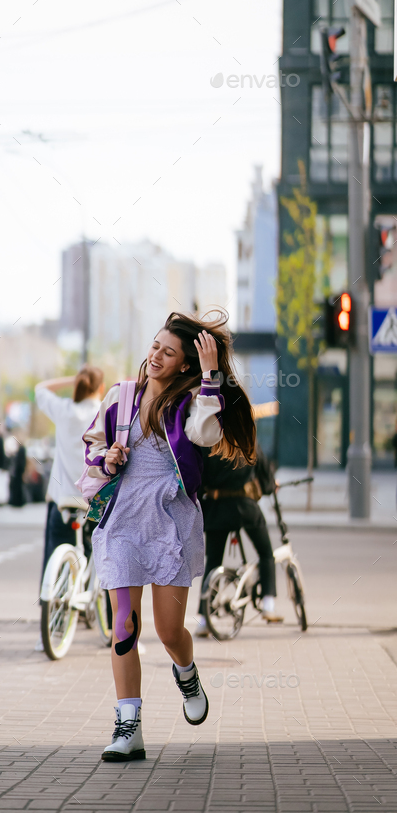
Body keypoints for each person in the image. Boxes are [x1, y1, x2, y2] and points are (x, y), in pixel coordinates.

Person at [82, 311, 256, 762]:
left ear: (185, 365)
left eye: (169, 351)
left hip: (170, 523)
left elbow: (207, 432)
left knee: (168, 629)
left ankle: (187, 673)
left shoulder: (191, 403)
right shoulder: (120, 397)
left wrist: (213, 376)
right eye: (155, 345)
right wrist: (110, 458)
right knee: (124, 624)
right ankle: (128, 724)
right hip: (122, 521)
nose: (156, 355)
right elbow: (92, 449)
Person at [34, 366, 105, 650]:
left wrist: (68, 381)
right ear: (99, 388)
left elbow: (40, 388)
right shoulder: (103, 411)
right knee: (107, 561)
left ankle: (49, 625)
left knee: (53, 554)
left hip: (63, 499)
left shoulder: (63, 409)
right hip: (95, 501)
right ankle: (114, 629)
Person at [196, 443, 281, 636]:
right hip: (245, 508)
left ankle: (203, 619)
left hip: (217, 510)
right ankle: (268, 604)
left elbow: (199, 481)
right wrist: (270, 487)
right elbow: (266, 480)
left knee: (213, 563)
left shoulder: (208, 443)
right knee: (266, 553)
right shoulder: (248, 442)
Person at [8, 437, 27, 508]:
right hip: (19, 471)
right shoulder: (21, 449)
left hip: (19, 471)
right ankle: (17, 501)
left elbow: (20, 462)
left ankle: (18, 502)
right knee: (18, 487)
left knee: (18, 487)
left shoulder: (21, 449)